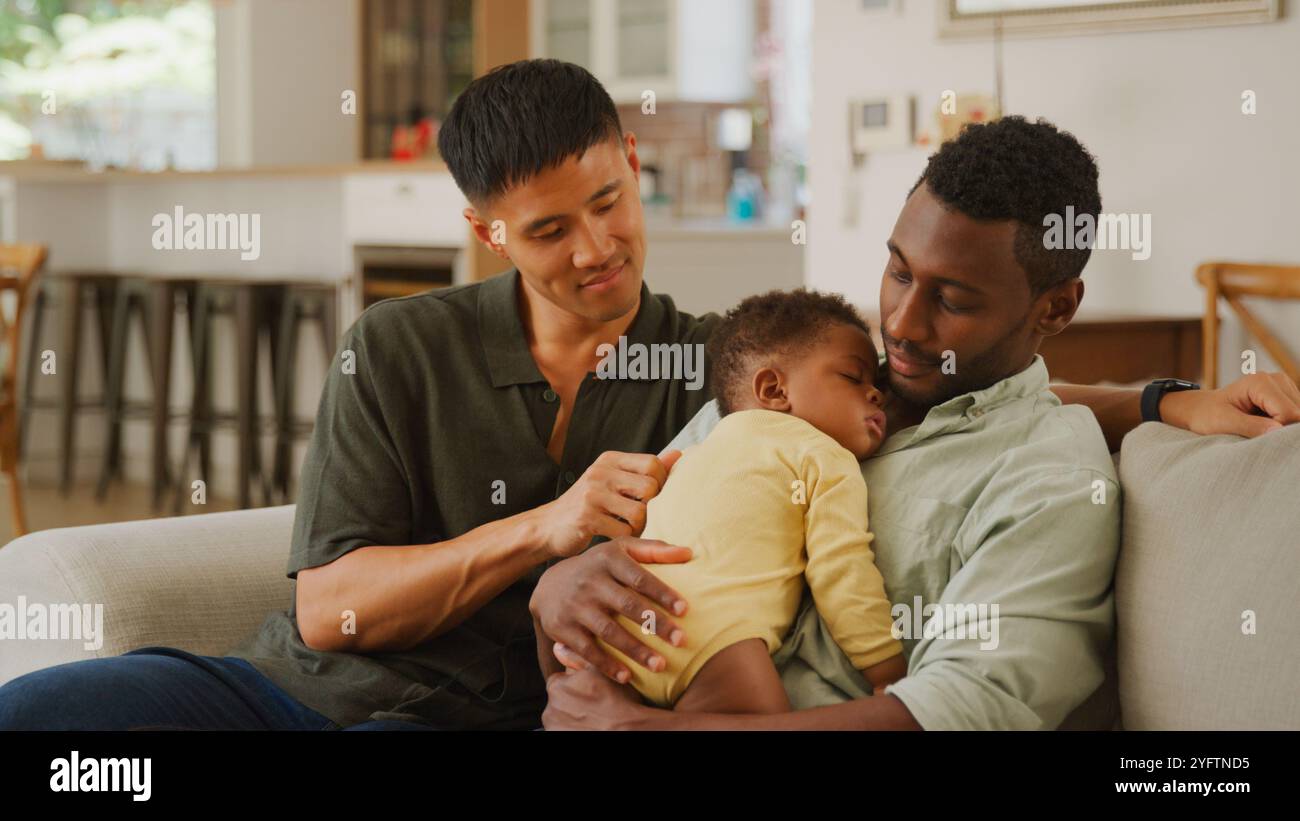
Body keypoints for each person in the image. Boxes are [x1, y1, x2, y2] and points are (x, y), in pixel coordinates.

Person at [1, 62, 1296, 731]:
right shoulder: (399, 350)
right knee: (55, 715)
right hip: (288, 701)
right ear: (487, 233)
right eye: (550, 229)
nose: (598, 249)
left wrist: (1160, 394)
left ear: (633, 165)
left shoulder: (718, 362)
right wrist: (545, 532)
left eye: (611, 201)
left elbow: (930, 381)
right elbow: (328, 610)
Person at [533, 113, 1300, 731]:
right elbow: (632, 532)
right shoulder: (815, 381)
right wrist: (560, 586)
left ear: (1056, 306)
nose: (900, 322)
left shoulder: (1049, 480)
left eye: (952, 300)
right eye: (898, 268)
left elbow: (959, 710)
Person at [564, 290, 905, 713]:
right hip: (713, 638)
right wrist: (887, 669)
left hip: (620, 628)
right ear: (774, 388)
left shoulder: (690, 454)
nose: (874, 394)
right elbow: (841, 569)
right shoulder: (822, 455)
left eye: (875, 386)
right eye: (854, 378)